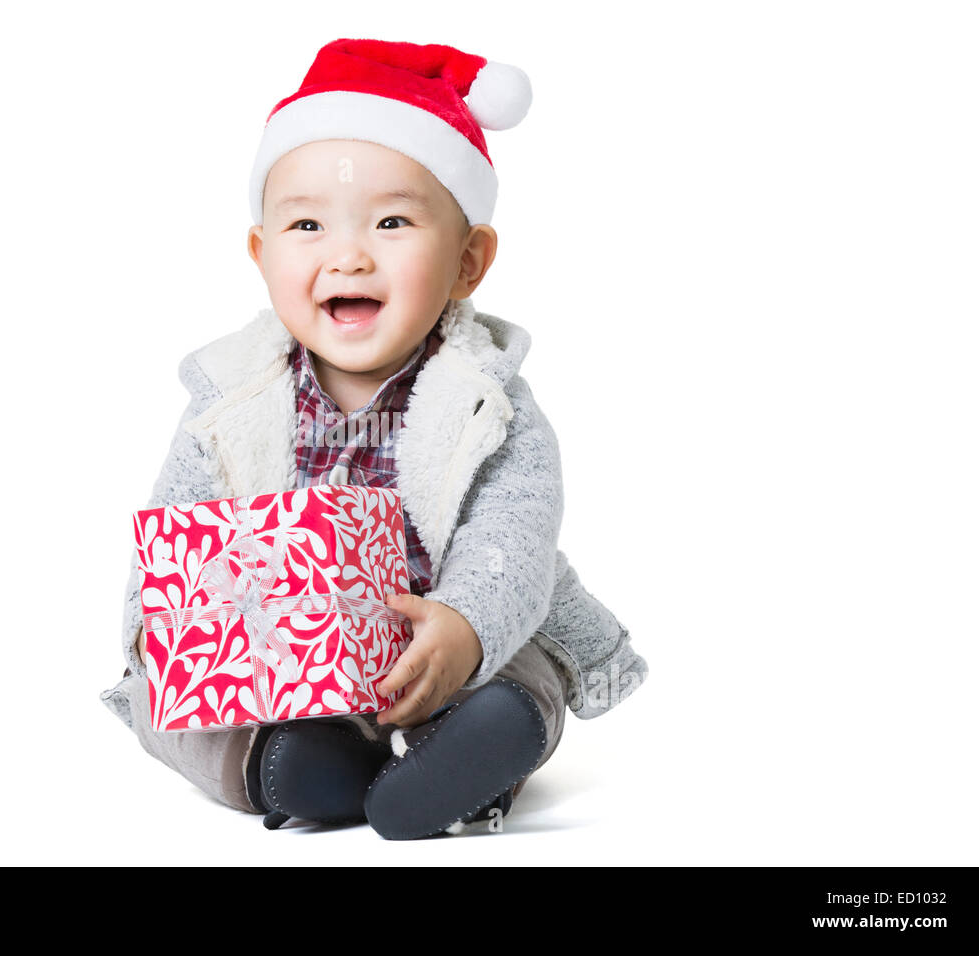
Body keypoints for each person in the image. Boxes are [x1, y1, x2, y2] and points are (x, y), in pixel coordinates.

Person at [100, 37, 648, 839]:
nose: (348, 255)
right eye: (308, 224)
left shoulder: (489, 404)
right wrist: (169, 633)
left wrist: (465, 626)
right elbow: (176, 528)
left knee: (523, 665)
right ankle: (283, 763)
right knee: (169, 700)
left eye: (392, 222)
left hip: (440, 646)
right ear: (262, 254)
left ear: (468, 262)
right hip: (280, 658)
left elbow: (515, 533)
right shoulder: (228, 400)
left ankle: (468, 755)